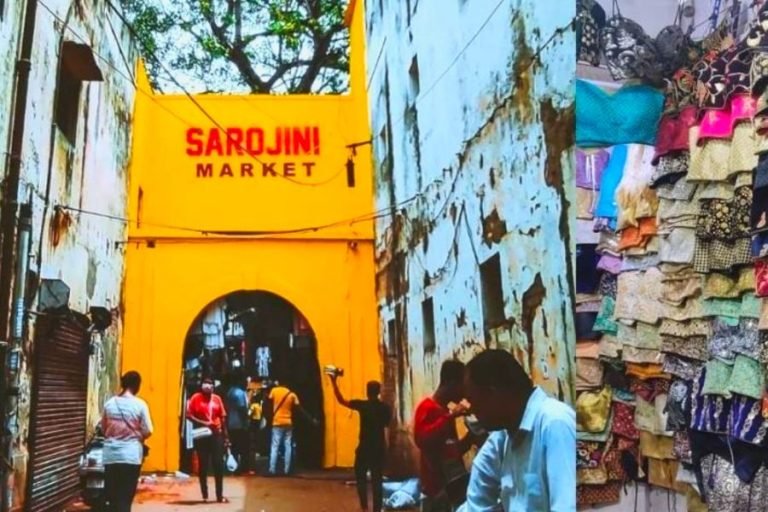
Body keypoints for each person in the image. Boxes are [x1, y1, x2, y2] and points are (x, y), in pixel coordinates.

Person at [458, 349, 576, 511]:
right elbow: (478, 491)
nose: (472, 410)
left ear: (494, 394)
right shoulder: (502, 436)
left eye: (473, 400)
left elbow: (566, 506)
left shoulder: (554, 423)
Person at [413, 360, 475, 512]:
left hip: (450, 490)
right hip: (434, 492)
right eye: (462, 386)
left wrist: (472, 436)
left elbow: (449, 452)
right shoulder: (427, 407)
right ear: (452, 383)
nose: (463, 394)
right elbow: (422, 439)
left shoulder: (444, 412)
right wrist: (451, 416)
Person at [328, 373, 391, 512]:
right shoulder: (385, 408)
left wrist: (333, 381)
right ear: (379, 392)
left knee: (361, 478)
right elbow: (386, 430)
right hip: (378, 447)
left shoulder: (362, 406)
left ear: (367, 392)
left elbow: (341, 400)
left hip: (364, 447)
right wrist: (386, 448)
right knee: (377, 481)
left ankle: (364, 507)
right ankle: (377, 509)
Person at [101, 371, 153, 512]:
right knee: (125, 498)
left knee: (112, 498)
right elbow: (148, 430)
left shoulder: (109, 404)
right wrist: (137, 436)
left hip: (111, 456)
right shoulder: (140, 405)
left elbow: (103, 428)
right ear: (136, 386)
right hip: (131, 457)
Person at [187, 377, 230, 503]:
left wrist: (226, 437)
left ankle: (219, 495)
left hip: (217, 434)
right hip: (202, 435)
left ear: (213, 386)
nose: (207, 385)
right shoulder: (195, 398)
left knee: (218, 464)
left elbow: (222, 418)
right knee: (203, 465)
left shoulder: (217, 399)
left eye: (210, 383)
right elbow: (189, 415)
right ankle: (204, 494)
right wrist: (205, 423)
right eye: (205, 383)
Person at [267, 380, 301, 476]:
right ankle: (287, 470)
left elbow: (269, 402)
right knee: (288, 446)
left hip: (277, 422)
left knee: (275, 446)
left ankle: (272, 469)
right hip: (288, 422)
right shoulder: (292, 394)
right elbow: (298, 408)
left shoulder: (274, 391)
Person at [225, 376, 250, 474]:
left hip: (231, 423)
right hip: (240, 424)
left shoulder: (230, 392)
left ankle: (234, 467)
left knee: (234, 447)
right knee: (244, 447)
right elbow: (242, 408)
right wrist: (246, 422)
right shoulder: (240, 393)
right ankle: (244, 468)